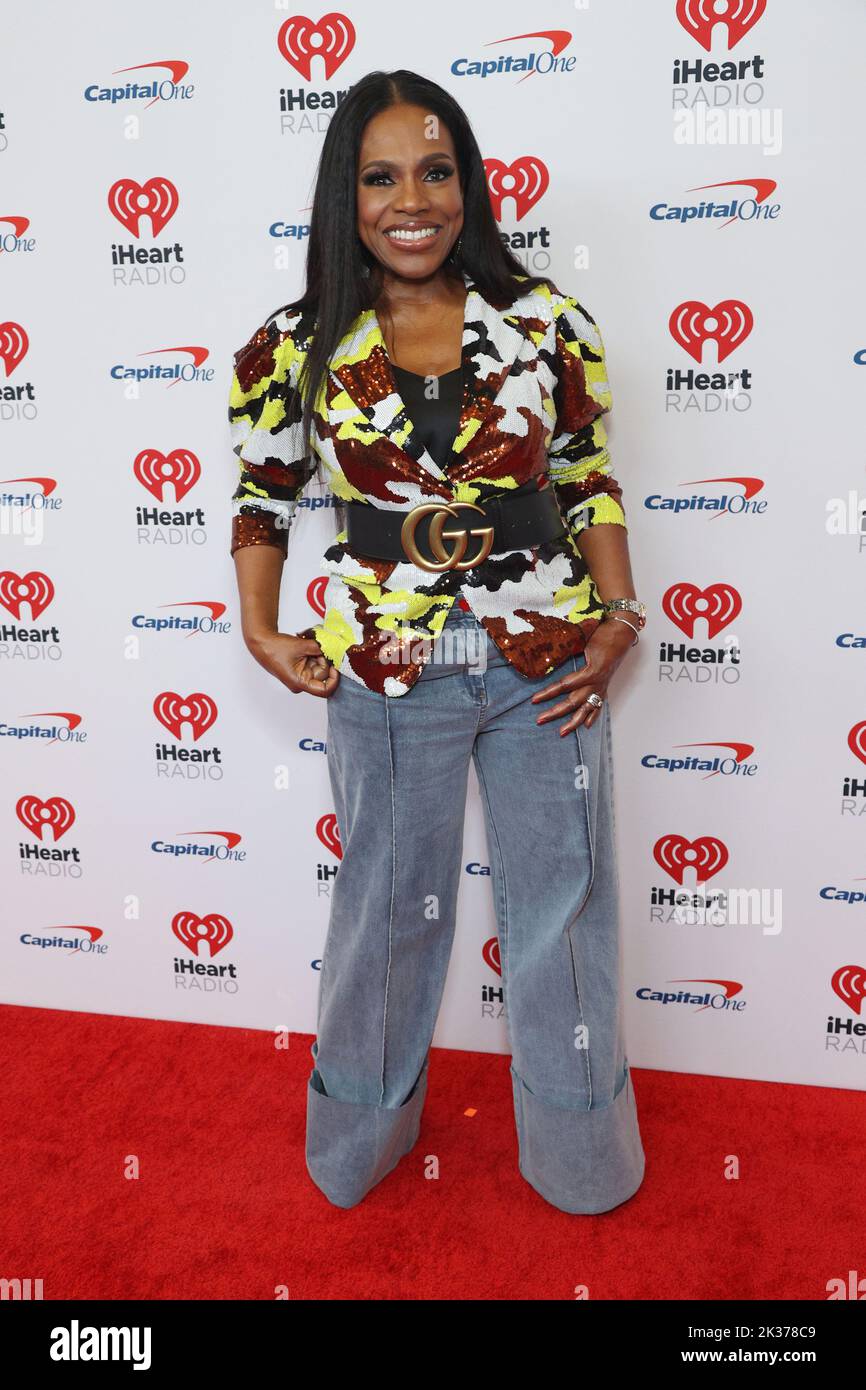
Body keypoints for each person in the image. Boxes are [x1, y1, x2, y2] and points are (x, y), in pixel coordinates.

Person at [228, 69, 647, 1214]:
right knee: (384, 909)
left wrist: (618, 618)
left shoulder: (546, 319)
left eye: (434, 169)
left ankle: (580, 1156)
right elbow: (264, 494)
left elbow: (582, 476)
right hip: (380, 665)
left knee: (560, 913)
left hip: (543, 664)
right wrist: (259, 625)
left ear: (467, 182)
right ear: (344, 193)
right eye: (379, 175)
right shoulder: (296, 342)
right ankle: (358, 1136)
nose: (411, 198)